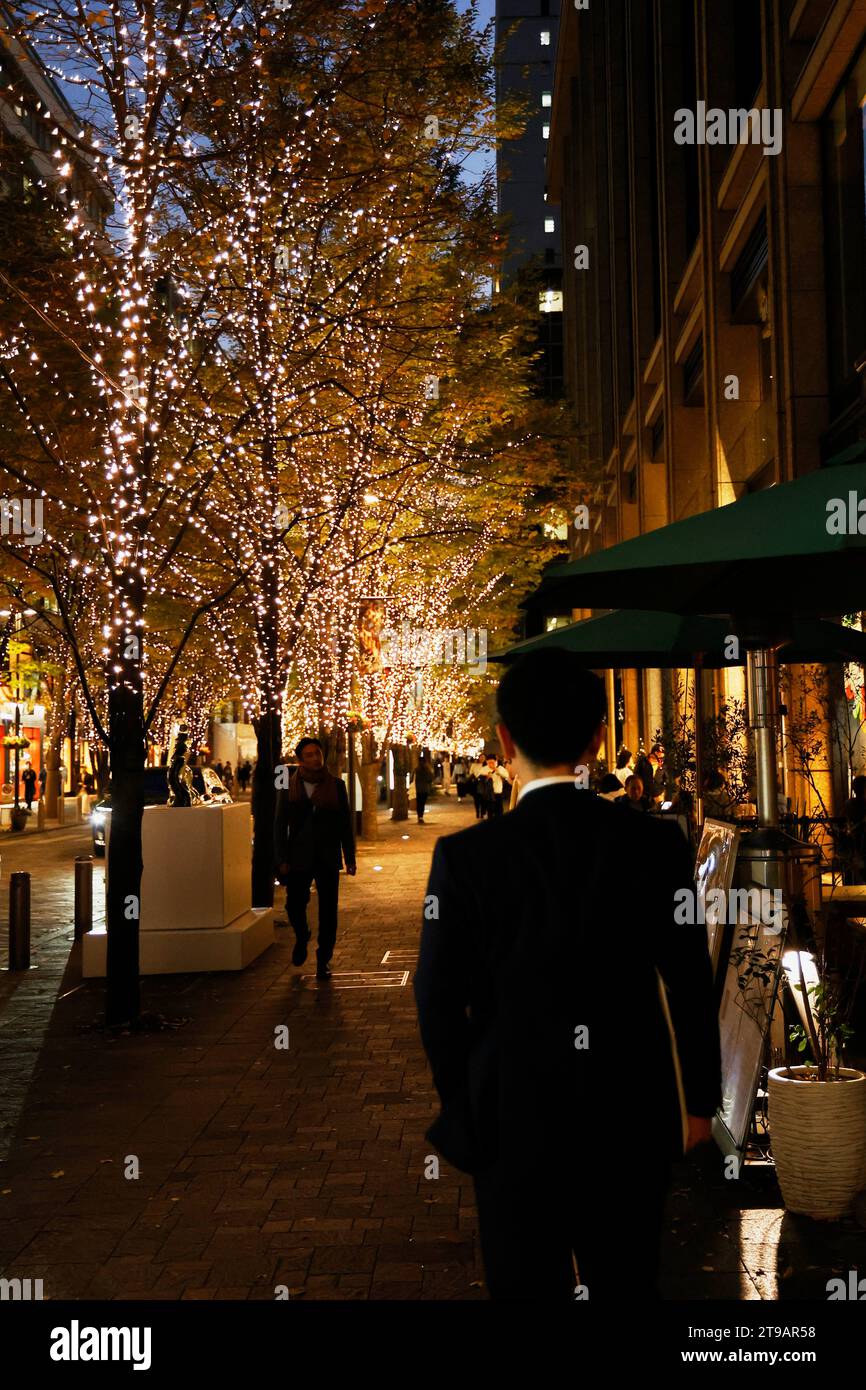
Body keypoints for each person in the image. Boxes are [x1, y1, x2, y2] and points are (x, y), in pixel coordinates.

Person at [415, 649, 721, 1302]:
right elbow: (691, 979)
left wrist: (464, 1105)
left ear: (504, 738)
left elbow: (437, 1000)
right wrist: (698, 1101)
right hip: (630, 1110)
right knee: (628, 1279)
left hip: (512, 1114)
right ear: (597, 739)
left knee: (525, 1286)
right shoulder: (655, 844)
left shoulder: (467, 857)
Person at [274, 738, 356, 981]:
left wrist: (349, 857)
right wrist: (281, 858)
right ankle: (302, 935)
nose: (314, 758)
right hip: (298, 856)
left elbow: (344, 824)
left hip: (327, 856)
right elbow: (279, 824)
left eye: (317, 753)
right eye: (308, 755)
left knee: (329, 911)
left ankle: (324, 959)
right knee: (294, 905)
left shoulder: (336, 786)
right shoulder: (289, 786)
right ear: (300, 760)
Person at [415, 751, 435, 824]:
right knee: (422, 803)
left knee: (419, 803)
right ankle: (421, 817)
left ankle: (419, 816)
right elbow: (431, 778)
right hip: (425, 789)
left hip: (418, 789)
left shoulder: (417, 770)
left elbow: (412, 779)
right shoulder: (427, 770)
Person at [469, 755, 486, 820]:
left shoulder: (486, 765)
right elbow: (471, 773)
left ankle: (482, 813)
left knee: (483, 799)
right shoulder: (474, 765)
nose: (482, 759)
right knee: (476, 799)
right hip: (476, 784)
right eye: (481, 757)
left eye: (483, 757)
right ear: (478, 758)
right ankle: (477, 812)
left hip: (484, 784)